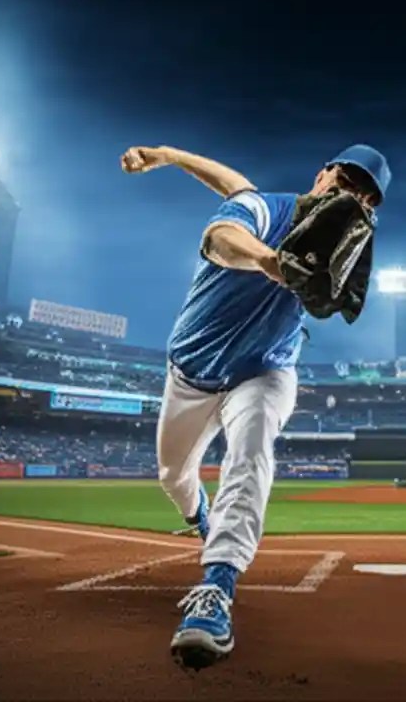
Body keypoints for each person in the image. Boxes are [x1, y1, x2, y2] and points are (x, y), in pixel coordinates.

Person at [120, 142, 391, 668]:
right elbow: (218, 238)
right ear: (322, 174)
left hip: (266, 370)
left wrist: (172, 156)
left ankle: (216, 588)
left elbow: (337, 298)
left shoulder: (343, 245)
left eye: (365, 193)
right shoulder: (267, 209)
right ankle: (202, 518)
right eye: (347, 177)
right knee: (174, 475)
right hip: (191, 374)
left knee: (252, 443)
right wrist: (273, 262)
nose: (352, 193)